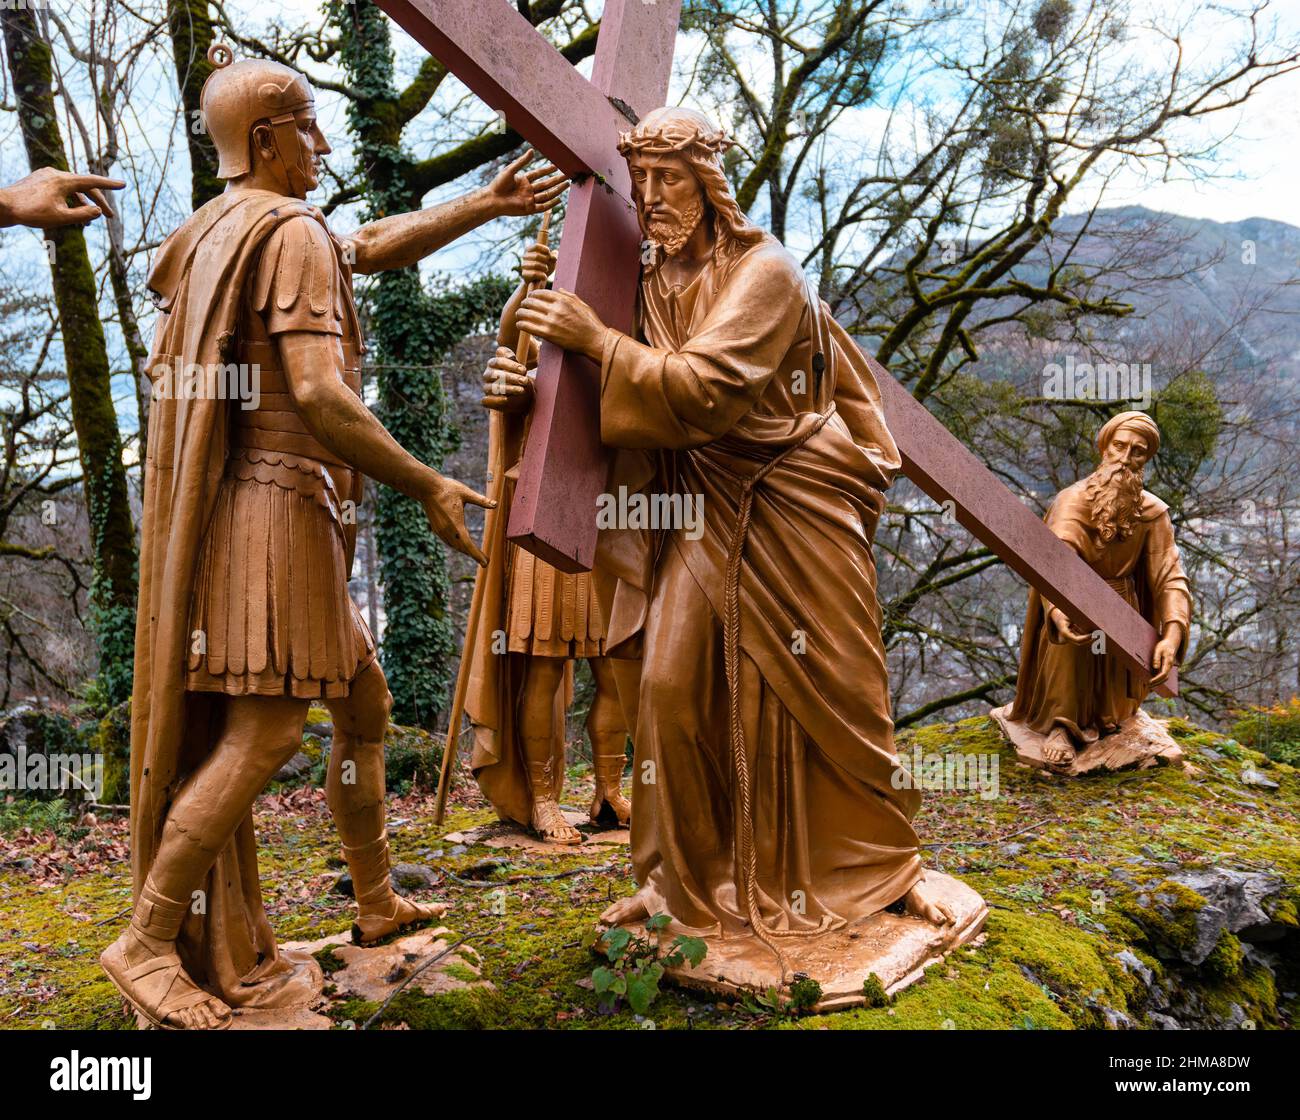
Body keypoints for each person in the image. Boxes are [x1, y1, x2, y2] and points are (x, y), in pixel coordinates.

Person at [100, 46, 565, 1030]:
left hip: (252, 508)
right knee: (266, 732)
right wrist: (429, 480)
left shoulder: (217, 234)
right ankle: (144, 939)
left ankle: (374, 897)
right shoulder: (286, 231)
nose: (321, 142)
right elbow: (318, 395)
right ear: (265, 141)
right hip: (279, 511)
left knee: (363, 706)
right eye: (307, 126)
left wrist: (481, 208)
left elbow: (368, 245)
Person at [511, 107, 954, 968]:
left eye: (669, 178)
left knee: (831, 686)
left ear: (710, 183)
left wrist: (594, 339)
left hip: (797, 498)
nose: (650, 196)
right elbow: (595, 392)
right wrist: (523, 373)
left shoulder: (768, 271)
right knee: (672, 691)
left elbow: (707, 389)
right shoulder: (645, 280)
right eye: (640, 181)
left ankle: (874, 865)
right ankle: (681, 888)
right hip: (707, 507)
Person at [1008, 411, 1190, 766]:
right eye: (1118, 446)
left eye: (1136, 452)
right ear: (1104, 447)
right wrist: (1058, 608)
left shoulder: (1152, 512)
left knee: (1117, 709)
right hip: (1072, 601)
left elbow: (1169, 574)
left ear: (1146, 459)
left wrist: (1172, 633)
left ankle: (1115, 717)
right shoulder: (1072, 501)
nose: (1124, 459)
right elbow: (1057, 561)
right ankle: (1063, 725)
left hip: (1123, 611)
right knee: (1073, 631)